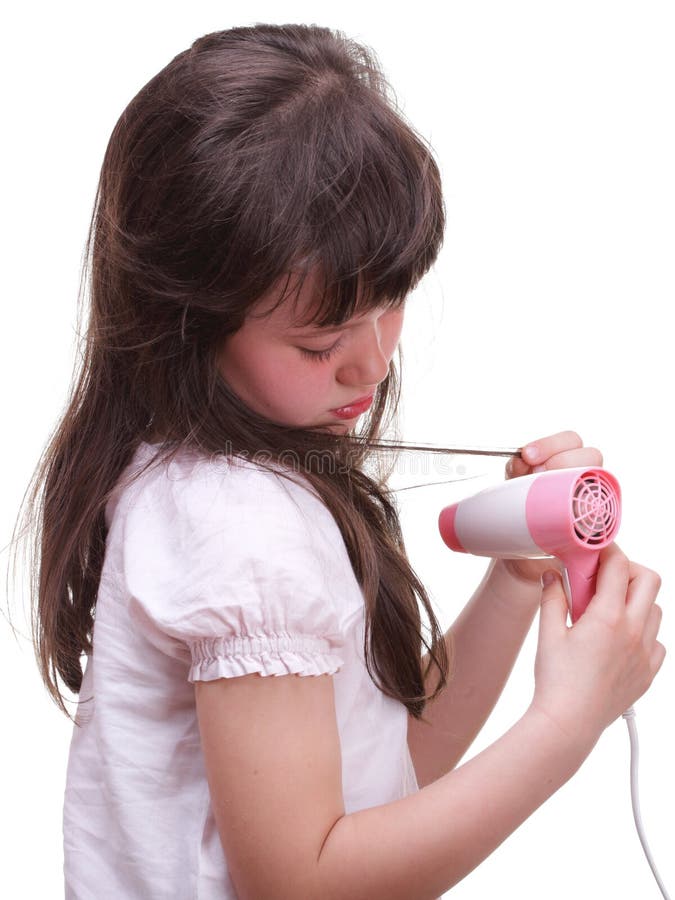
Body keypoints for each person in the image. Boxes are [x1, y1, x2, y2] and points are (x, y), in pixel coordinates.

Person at [15, 23, 664, 899]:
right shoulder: (239, 527)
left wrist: (515, 580)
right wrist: (564, 724)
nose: (370, 362)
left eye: (390, 305)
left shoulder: (219, 482)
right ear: (187, 322)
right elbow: (302, 882)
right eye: (320, 340)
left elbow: (388, 773)